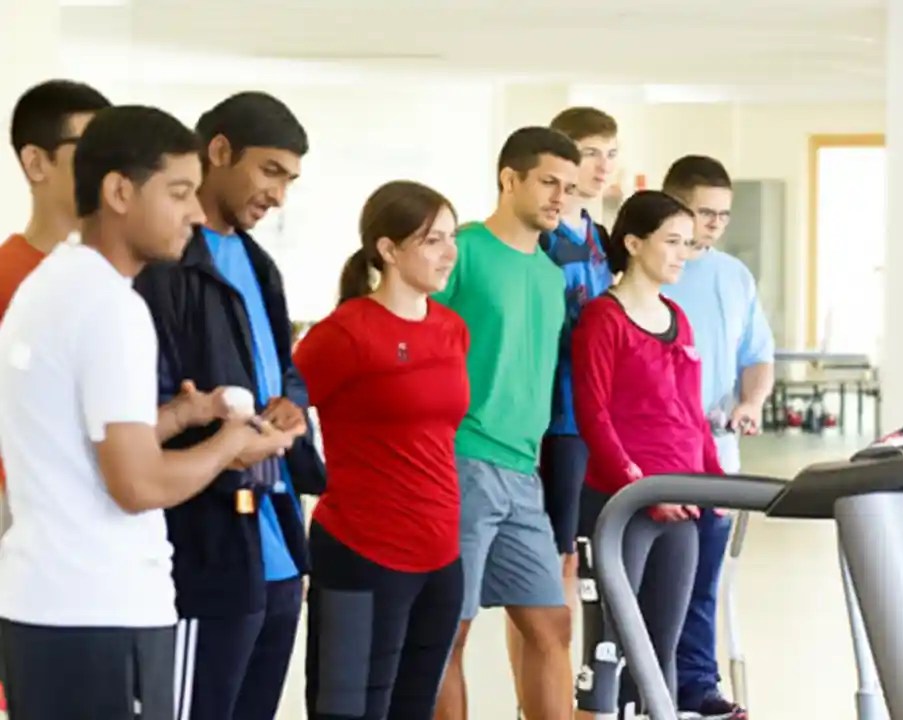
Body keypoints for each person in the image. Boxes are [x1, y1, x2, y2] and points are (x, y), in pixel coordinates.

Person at [0, 104, 301, 720]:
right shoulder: (113, 307)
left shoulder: (55, 284)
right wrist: (232, 442)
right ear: (119, 192)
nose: (196, 214)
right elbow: (138, 485)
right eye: (179, 193)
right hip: (102, 611)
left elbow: (78, 440)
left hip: (48, 606)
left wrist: (181, 417)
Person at [132, 91, 324, 720]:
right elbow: (151, 403)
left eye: (289, 180)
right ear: (218, 151)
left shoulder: (259, 263)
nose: (278, 195)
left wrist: (292, 407)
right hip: (205, 542)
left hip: (274, 539)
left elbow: (281, 367)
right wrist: (221, 441)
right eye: (270, 171)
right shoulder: (163, 268)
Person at [294, 180, 467, 719]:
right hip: (361, 552)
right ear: (388, 249)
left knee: (413, 709)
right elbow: (280, 412)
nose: (449, 253)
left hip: (440, 555)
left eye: (451, 237)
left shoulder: (451, 329)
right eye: (432, 240)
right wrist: (315, 478)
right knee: (347, 710)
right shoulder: (345, 333)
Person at [432, 126, 579, 720]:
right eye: (548, 182)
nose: (560, 197)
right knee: (449, 630)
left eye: (568, 187)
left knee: (551, 625)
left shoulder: (551, 275)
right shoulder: (461, 251)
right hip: (461, 457)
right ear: (509, 179)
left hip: (523, 471)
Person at [572, 189, 719, 711]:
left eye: (688, 244)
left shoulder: (678, 316)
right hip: (623, 504)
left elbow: (692, 414)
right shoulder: (603, 319)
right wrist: (639, 487)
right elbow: (594, 415)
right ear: (634, 243)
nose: (683, 255)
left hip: (680, 505)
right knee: (612, 647)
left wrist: (716, 484)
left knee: (661, 649)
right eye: (672, 242)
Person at [661, 156, 775, 720]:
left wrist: (750, 403)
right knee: (658, 584)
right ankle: (645, 686)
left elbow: (757, 357)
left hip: (716, 457)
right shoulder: (649, 272)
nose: (714, 225)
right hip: (656, 459)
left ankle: (697, 688)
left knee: (704, 583)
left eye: (723, 216)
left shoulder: (734, 276)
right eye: (704, 213)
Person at [521, 106, 618, 698]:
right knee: (549, 568)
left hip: (597, 417)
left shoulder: (601, 240)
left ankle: (571, 694)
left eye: (611, 153)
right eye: (590, 153)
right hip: (554, 419)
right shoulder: (539, 241)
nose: (602, 166)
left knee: (582, 562)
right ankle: (540, 697)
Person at [0, 79, 111, 526]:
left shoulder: (116, 280)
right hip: (20, 503)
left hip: (100, 503)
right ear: (36, 163)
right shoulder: (8, 275)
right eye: (89, 149)